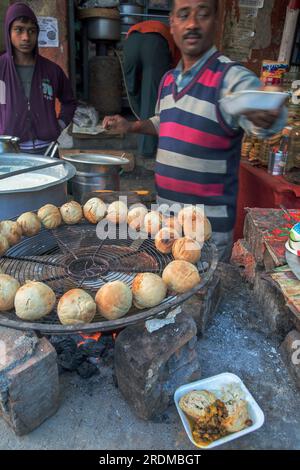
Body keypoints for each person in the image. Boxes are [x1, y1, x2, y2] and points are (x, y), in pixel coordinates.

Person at [103, 0, 287, 261]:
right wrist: (131, 125)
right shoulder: (167, 80)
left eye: (203, 14)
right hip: (166, 222)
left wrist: (269, 113)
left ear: (215, 22)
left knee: (202, 297)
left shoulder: (230, 77)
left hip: (206, 230)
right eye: (184, 15)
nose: (192, 24)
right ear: (172, 23)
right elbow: (163, 122)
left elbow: (265, 119)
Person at [0, 2, 77, 155]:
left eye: (32, 31)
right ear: (8, 31)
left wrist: (59, 124)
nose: (26, 37)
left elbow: (69, 101)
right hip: (8, 151)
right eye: (19, 30)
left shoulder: (52, 70)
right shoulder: (0, 68)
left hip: (47, 150)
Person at [123, 20, 180, 160]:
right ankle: (146, 149)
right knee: (151, 95)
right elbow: (175, 71)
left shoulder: (144, 27)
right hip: (155, 43)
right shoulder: (175, 40)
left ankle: (139, 118)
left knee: (131, 87)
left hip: (131, 40)